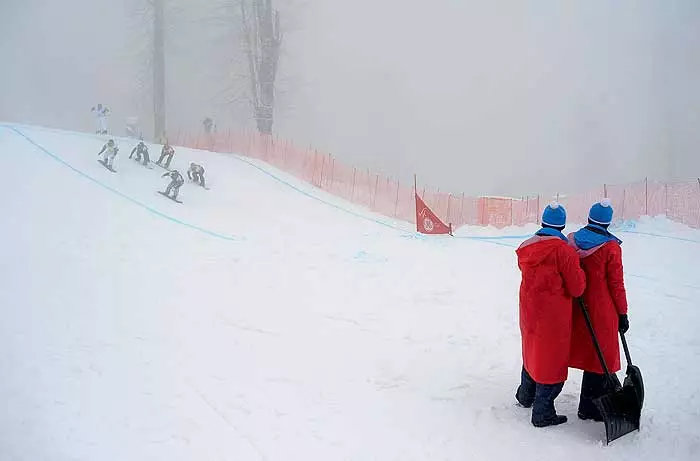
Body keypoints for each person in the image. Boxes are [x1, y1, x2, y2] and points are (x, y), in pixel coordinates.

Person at [515, 203, 586, 427]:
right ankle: (542, 413)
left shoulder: (526, 247)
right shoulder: (564, 252)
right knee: (552, 361)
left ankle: (525, 396)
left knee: (532, 351)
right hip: (553, 317)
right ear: (562, 225)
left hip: (528, 311)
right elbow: (577, 288)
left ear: (543, 221)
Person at [567, 199, 629, 421]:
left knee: (590, 352)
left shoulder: (572, 240)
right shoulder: (611, 248)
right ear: (608, 223)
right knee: (601, 354)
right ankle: (592, 407)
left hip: (577, 305)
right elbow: (616, 284)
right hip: (602, 308)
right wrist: (622, 312)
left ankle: (588, 404)